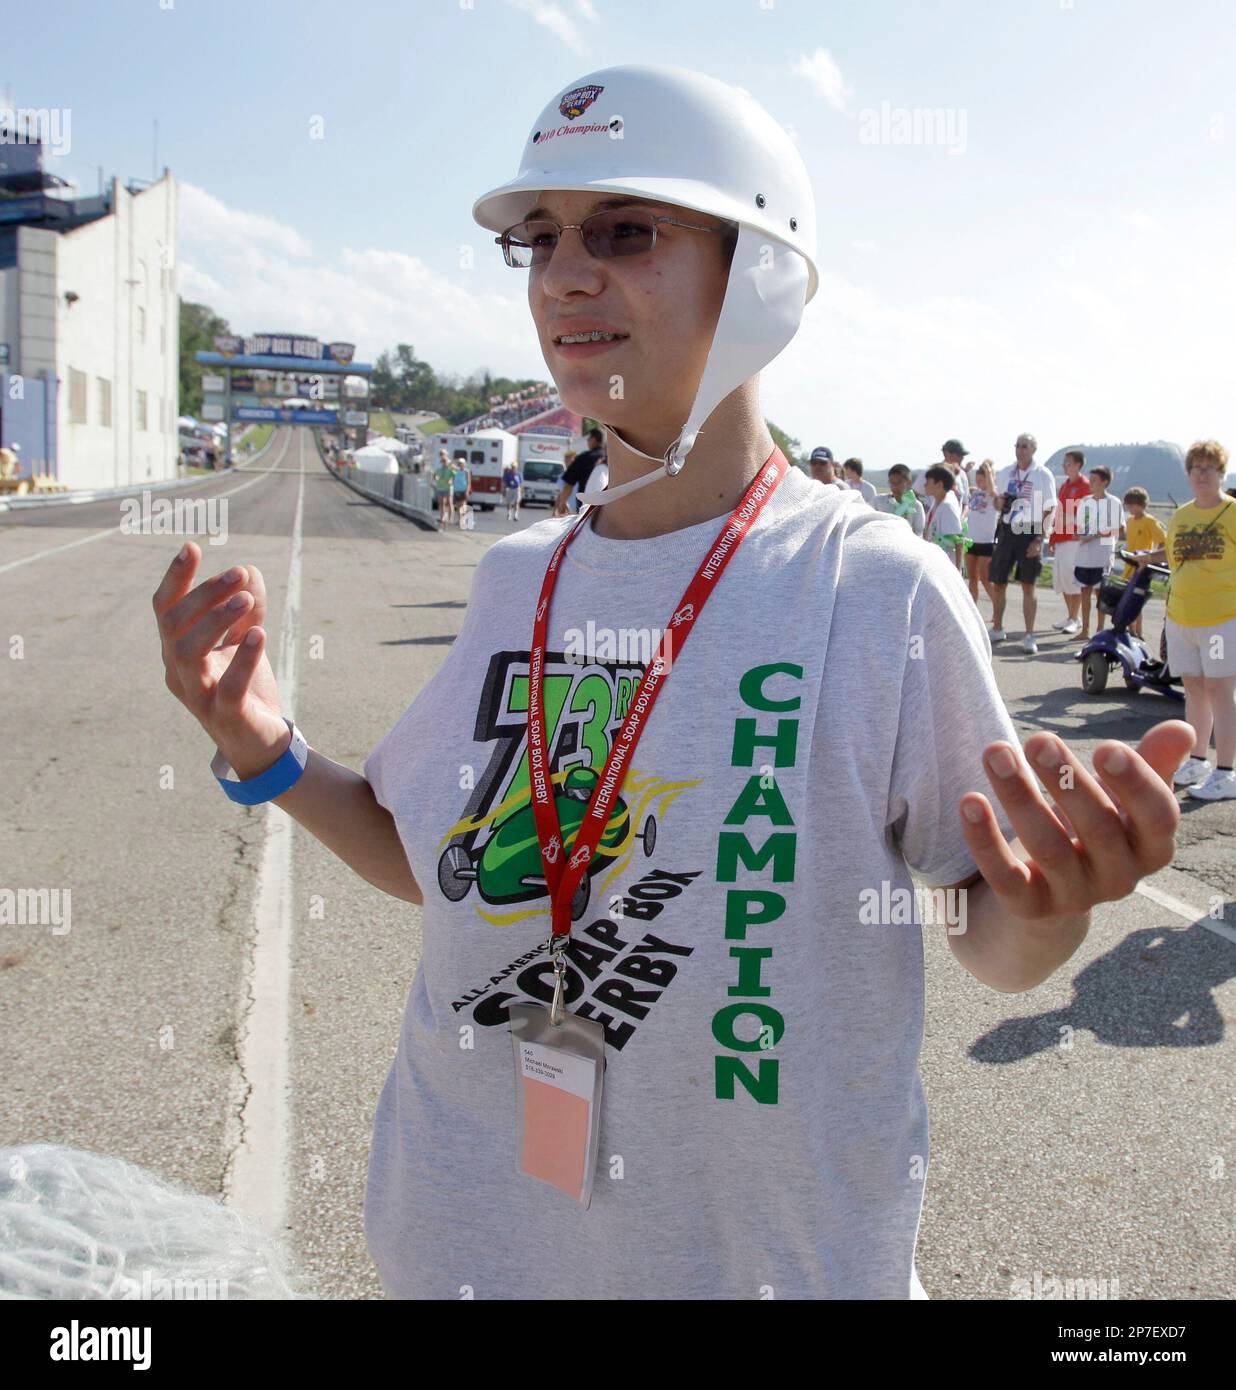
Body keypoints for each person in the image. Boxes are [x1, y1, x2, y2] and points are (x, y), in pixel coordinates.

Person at [152, 64, 1187, 1302]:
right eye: (540, 242)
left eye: (623, 232)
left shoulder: (873, 590)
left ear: (757, 273)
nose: (561, 276)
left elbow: (991, 934)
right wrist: (262, 744)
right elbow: (424, 850)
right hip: (462, 1246)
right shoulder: (518, 578)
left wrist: (1056, 903)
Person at [1135, 440, 1236, 800]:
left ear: (1221, 474)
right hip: (1183, 617)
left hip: (1222, 618)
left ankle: (1227, 771)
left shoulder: (1232, 512)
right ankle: (1197, 759)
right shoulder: (1181, 517)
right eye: (1197, 468)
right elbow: (1176, 559)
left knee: (1221, 690)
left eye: (1210, 468)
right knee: (1193, 688)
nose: (1203, 474)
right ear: (1189, 475)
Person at [989, 433, 1057, 654]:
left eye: (1024, 446)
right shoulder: (1007, 472)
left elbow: (1050, 508)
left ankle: (1029, 635)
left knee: (1028, 584)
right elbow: (998, 502)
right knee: (998, 581)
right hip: (1008, 528)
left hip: (1030, 529)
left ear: (1033, 450)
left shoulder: (1042, 474)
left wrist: (1040, 539)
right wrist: (998, 501)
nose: (1020, 450)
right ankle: (997, 627)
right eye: (1017, 446)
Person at [1072, 465, 1123, 640]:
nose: (1090, 483)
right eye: (1090, 479)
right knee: (1084, 592)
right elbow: (1080, 526)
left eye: (1094, 480)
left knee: (1100, 593)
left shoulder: (1114, 502)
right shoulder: (1085, 502)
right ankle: (1085, 630)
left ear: (1104, 482)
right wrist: (1080, 534)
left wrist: (1095, 534)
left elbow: (1119, 529)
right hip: (1084, 555)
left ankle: (1100, 630)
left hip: (1102, 555)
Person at [1049, 450, 1092, 637]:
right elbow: (1058, 512)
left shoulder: (1085, 486)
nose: (1065, 466)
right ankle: (1070, 616)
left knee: (1074, 580)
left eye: (1068, 463)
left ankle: (1075, 619)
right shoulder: (1065, 486)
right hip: (1061, 538)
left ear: (1078, 465)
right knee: (1063, 580)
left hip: (1075, 540)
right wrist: (1052, 537)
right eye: (1064, 463)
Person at [1120, 487, 1167, 642]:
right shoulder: (1130, 522)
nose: (1129, 508)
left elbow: (1163, 541)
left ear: (1141, 504)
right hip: (1129, 565)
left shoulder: (1150, 521)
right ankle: (1130, 629)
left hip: (1142, 567)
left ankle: (1137, 632)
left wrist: (1152, 559)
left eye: (1132, 505)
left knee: (1136, 599)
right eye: (1127, 505)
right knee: (1127, 598)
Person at [964, 460, 999, 611]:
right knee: (972, 578)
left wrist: (989, 471)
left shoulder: (994, 494)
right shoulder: (975, 492)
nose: (979, 483)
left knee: (985, 578)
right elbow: (962, 487)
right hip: (971, 539)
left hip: (986, 541)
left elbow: (991, 489)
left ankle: (998, 607)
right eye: (977, 480)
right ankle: (973, 610)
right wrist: (965, 471)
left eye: (982, 480)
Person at [922, 465, 965, 568]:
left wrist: (957, 570)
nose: (925, 484)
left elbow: (958, 540)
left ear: (939, 485)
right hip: (934, 562)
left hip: (947, 566)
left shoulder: (948, 507)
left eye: (928, 481)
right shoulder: (936, 503)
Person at [556, 428, 606, 513]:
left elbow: (569, 483)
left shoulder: (584, 457)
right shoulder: (608, 459)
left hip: (586, 507)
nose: (587, 441)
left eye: (588, 439)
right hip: (606, 505)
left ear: (593, 439)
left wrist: (562, 503)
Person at [882, 463, 925, 535]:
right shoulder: (879, 501)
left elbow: (919, 532)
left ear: (909, 483)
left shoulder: (916, 505)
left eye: (899, 482)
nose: (895, 486)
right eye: (892, 482)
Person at [433, 450, 455, 529]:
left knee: (449, 502)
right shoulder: (439, 468)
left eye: (444, 461)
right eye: (442, 461)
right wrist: (435, 479)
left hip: (448, 487)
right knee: (441, 503)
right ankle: (442, 517)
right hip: (440, 486)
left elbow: (455, 474)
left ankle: (450, 518)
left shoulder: (450, 467)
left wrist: (451, 480)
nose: (443, 462)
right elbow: (435, 475)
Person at [452, 455, 471, 526]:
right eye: (459, 463)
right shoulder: (455, 471)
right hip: (457, 490)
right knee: (458, 506)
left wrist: (467, 491)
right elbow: (450, 465)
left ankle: (464, 520)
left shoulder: (466, 471)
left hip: (463, 490)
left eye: (461, 463)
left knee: (463, 505)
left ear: (464, 464)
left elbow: (468, 482)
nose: (460, 464)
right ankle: (460, 520)